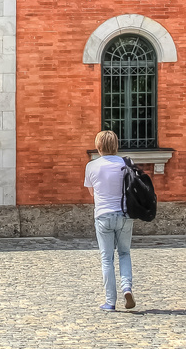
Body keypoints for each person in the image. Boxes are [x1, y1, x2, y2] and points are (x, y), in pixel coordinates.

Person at [84, 130, 135, 311]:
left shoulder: (91, 166)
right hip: (125, 214)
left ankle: (110, 302)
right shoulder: (126, 163)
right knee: (124, 253)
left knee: (107, 258)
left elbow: (91, 193)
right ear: (116, 145)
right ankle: (127, 288)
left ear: (98, 147)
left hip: (103, 215)